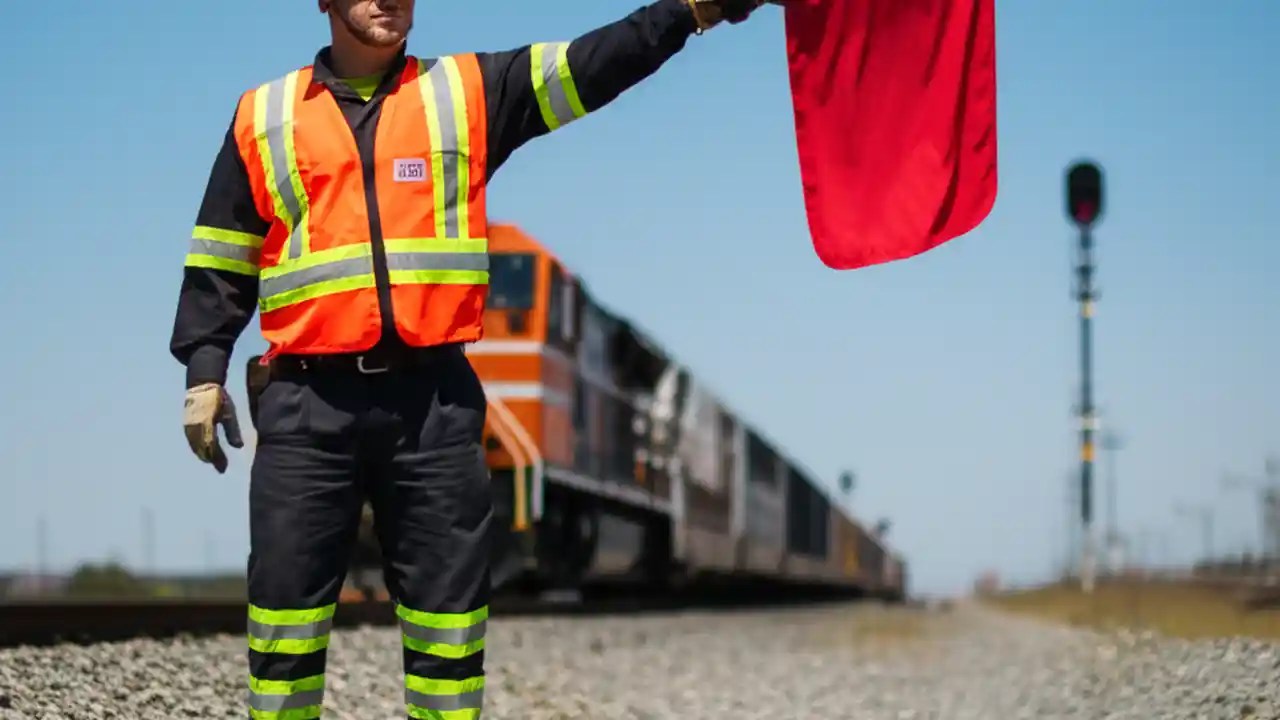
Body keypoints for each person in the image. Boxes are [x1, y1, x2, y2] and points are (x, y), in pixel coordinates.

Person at [170, 0, 768, 716]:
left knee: (449, 631)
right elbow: (220, 256)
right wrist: (204, 369)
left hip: (433, 406)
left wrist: (688, 11)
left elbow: (590, 64)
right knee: (284, 622)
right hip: (306, 406)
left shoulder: (468, 92)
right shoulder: (264, 116)